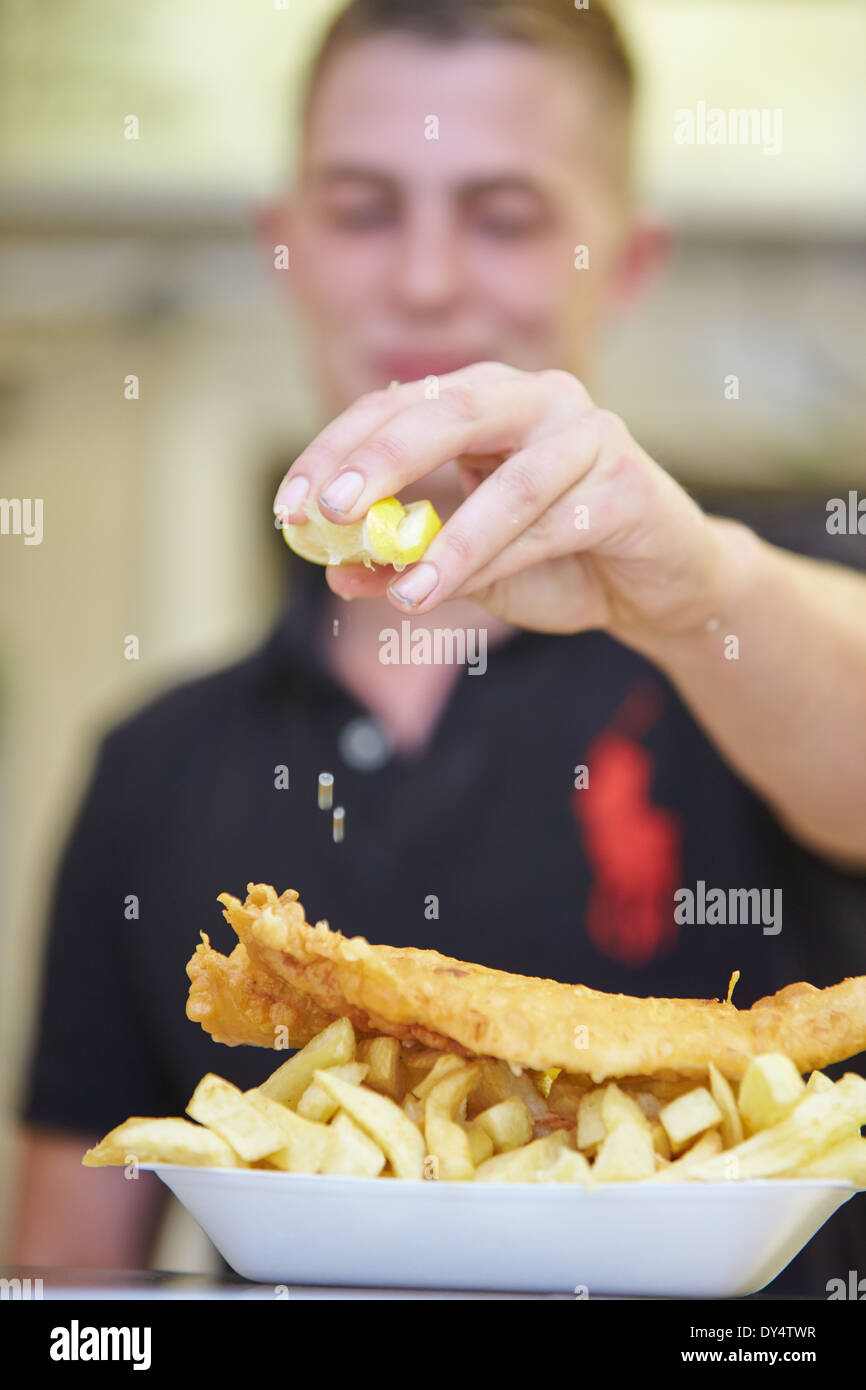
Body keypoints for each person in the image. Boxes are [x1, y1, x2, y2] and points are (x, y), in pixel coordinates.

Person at [10, 0, 866, 1293]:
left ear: (624, 260)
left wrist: (692, 588)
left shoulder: (756, 627)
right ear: (284, 246)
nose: (422, 277)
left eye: (503, 215)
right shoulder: (149, 761)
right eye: (360, 210)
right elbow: (72, 1282)